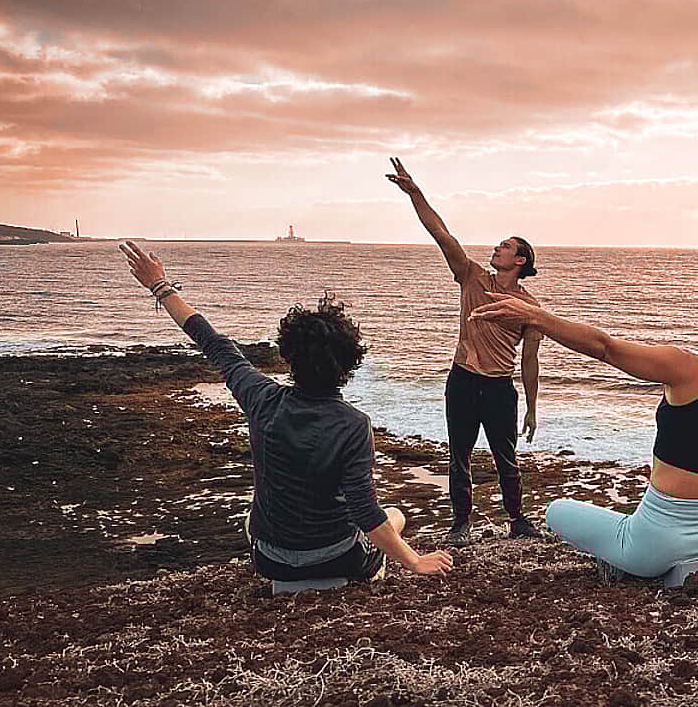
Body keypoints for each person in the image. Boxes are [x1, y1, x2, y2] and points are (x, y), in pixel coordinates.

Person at [119, 241, 453, 583]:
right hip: (338, 559)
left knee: (251, 520)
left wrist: (159, 286)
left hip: (270, 561)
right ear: (350, 364)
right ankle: (375, 569)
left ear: (288, 356)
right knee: (394, 515)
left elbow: (214, 342)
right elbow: (366, 512)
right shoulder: (353, 425)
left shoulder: (261, 397)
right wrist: (414, 561)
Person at [470, 289, 698, 586]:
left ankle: (627, 564)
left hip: (656, 543)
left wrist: (537, 317)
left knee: (555, 511)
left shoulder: (687, 366)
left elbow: (605, 347)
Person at [386, 157, 543, 546]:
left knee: (506, 458)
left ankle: (517, 519)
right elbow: (442, 234)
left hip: (498, 388)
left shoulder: (531, 307)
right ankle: (461, 523)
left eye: (505, 247)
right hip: (462, 381)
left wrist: (533, 408)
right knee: (459, 456)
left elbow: (530, 360)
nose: (497, 248)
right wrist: (415, 193)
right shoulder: (472, 276)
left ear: (520, 260)